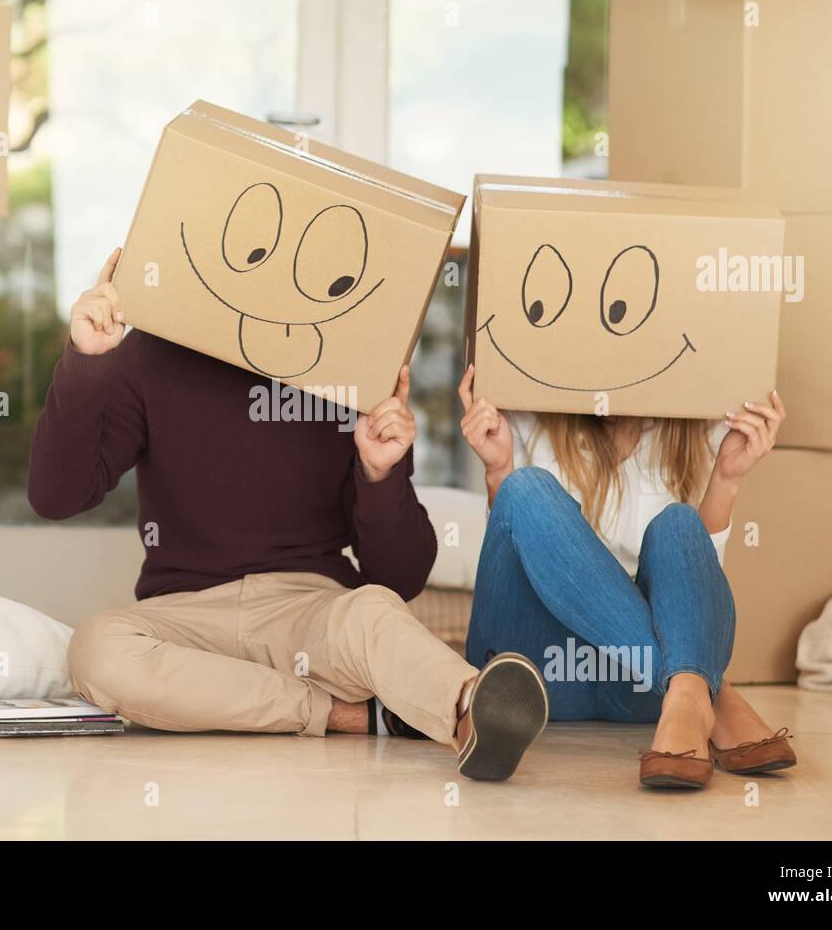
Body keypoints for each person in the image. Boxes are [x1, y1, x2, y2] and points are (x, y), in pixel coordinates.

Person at [28, 249, 548, 781]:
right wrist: (85, 361)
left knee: (374, 610)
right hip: (186, 615)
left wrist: (378, 473)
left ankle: (471, 705)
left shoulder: (353, 368)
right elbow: (54, 496)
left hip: (309, 608)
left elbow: (402, 576)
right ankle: (346, 717)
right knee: (95, 649)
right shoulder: (150, 351)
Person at [457, 365, 796, 789]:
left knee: (677, 523)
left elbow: (694, 585)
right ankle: (703, 692)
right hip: (533, 679)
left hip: (637, 688)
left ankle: (686, 697)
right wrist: (498, 471)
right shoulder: (526, 409)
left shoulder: (702, 422)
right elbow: (512, 557)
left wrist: (726, 480)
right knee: (524, 489)